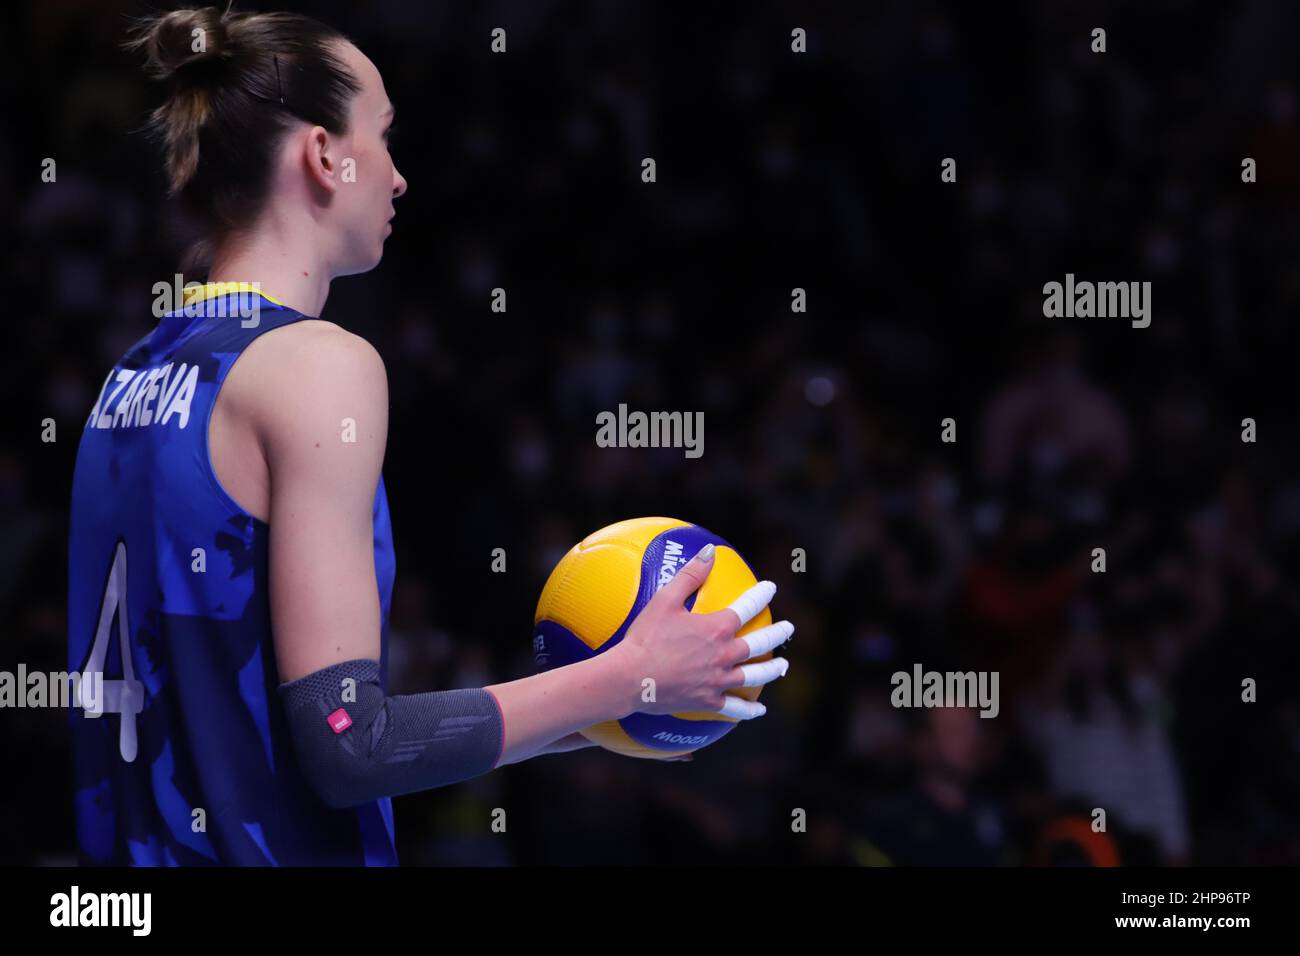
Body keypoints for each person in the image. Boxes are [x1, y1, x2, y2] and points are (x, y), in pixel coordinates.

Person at [66, 6, 792, 865]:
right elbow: (349, 745)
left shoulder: (133, 376)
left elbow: (269, 721)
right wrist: (625, 674)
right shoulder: (316, 365)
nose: (400, 177)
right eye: (383, 135)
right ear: (322, 154)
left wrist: (627, 698)